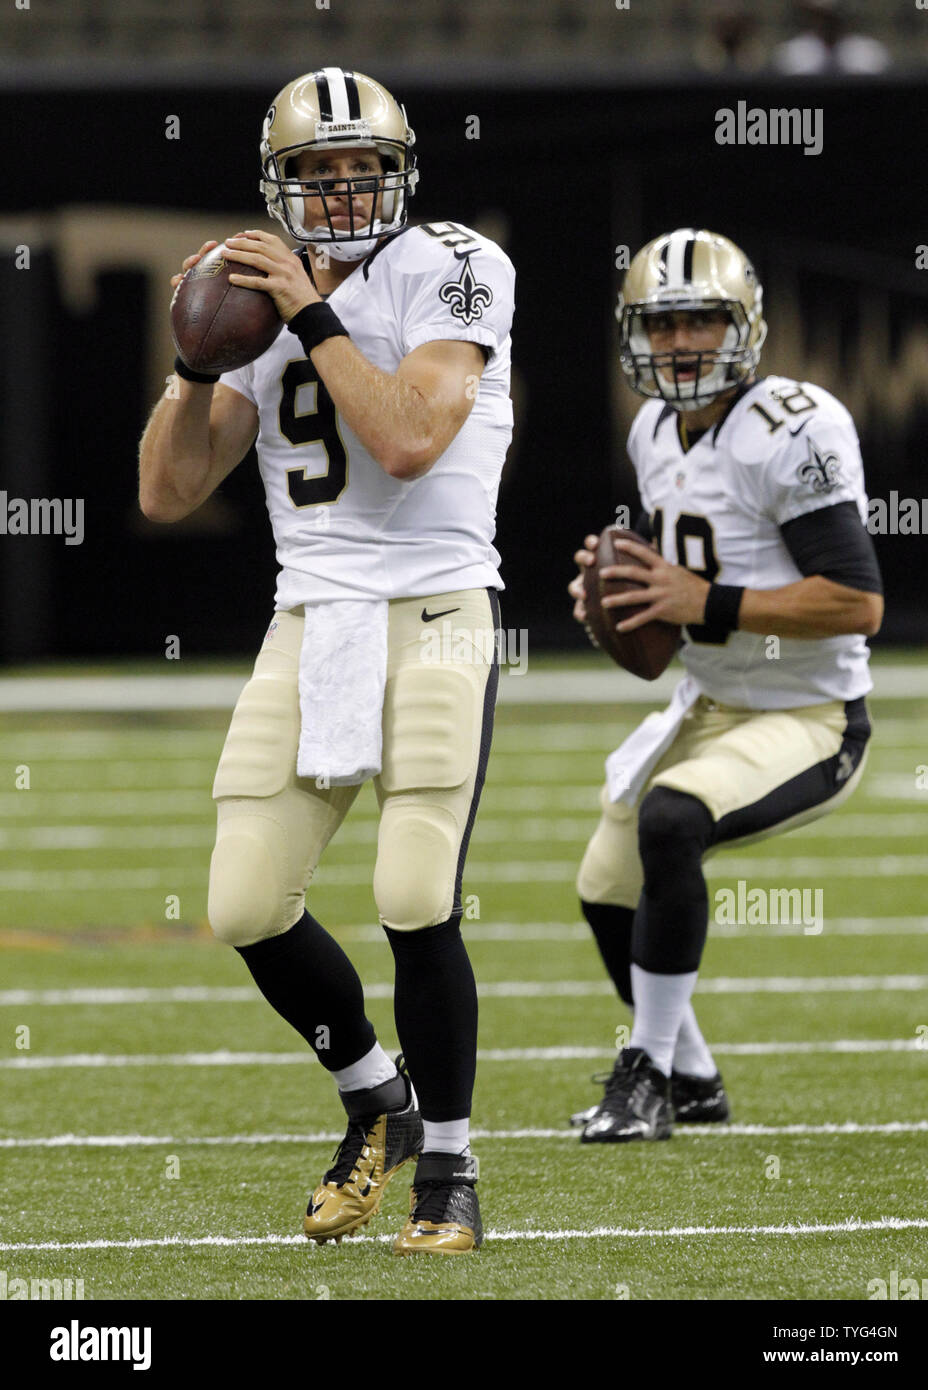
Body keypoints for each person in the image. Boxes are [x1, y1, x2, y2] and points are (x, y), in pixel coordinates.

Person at [139, 67, 516, 1252]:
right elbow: (169, 489)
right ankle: (374, 1098)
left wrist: (309, 310)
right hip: (312, 617)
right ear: (279, 184)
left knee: (414, 894)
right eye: (317, 172)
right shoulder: (259, 296)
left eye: (364, 168)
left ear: (402, 173)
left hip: (441, 608)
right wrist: (196, 360)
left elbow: (407, 439)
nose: (345, 191)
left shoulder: (458, 263)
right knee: (245, 901)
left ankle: (446, 1170)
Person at [568, 228, 882, 1142]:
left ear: (744, 325)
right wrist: (619, 593)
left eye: (702, 320)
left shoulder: (796, 427)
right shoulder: (651, 429)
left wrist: (703, 597)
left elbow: (856, 602)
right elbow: (671, 618)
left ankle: (647, 1074)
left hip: (810, 715)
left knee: (672, 819)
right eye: (663, 326)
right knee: (605, 889)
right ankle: (695, 1081)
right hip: (708, 703)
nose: (682, 344)